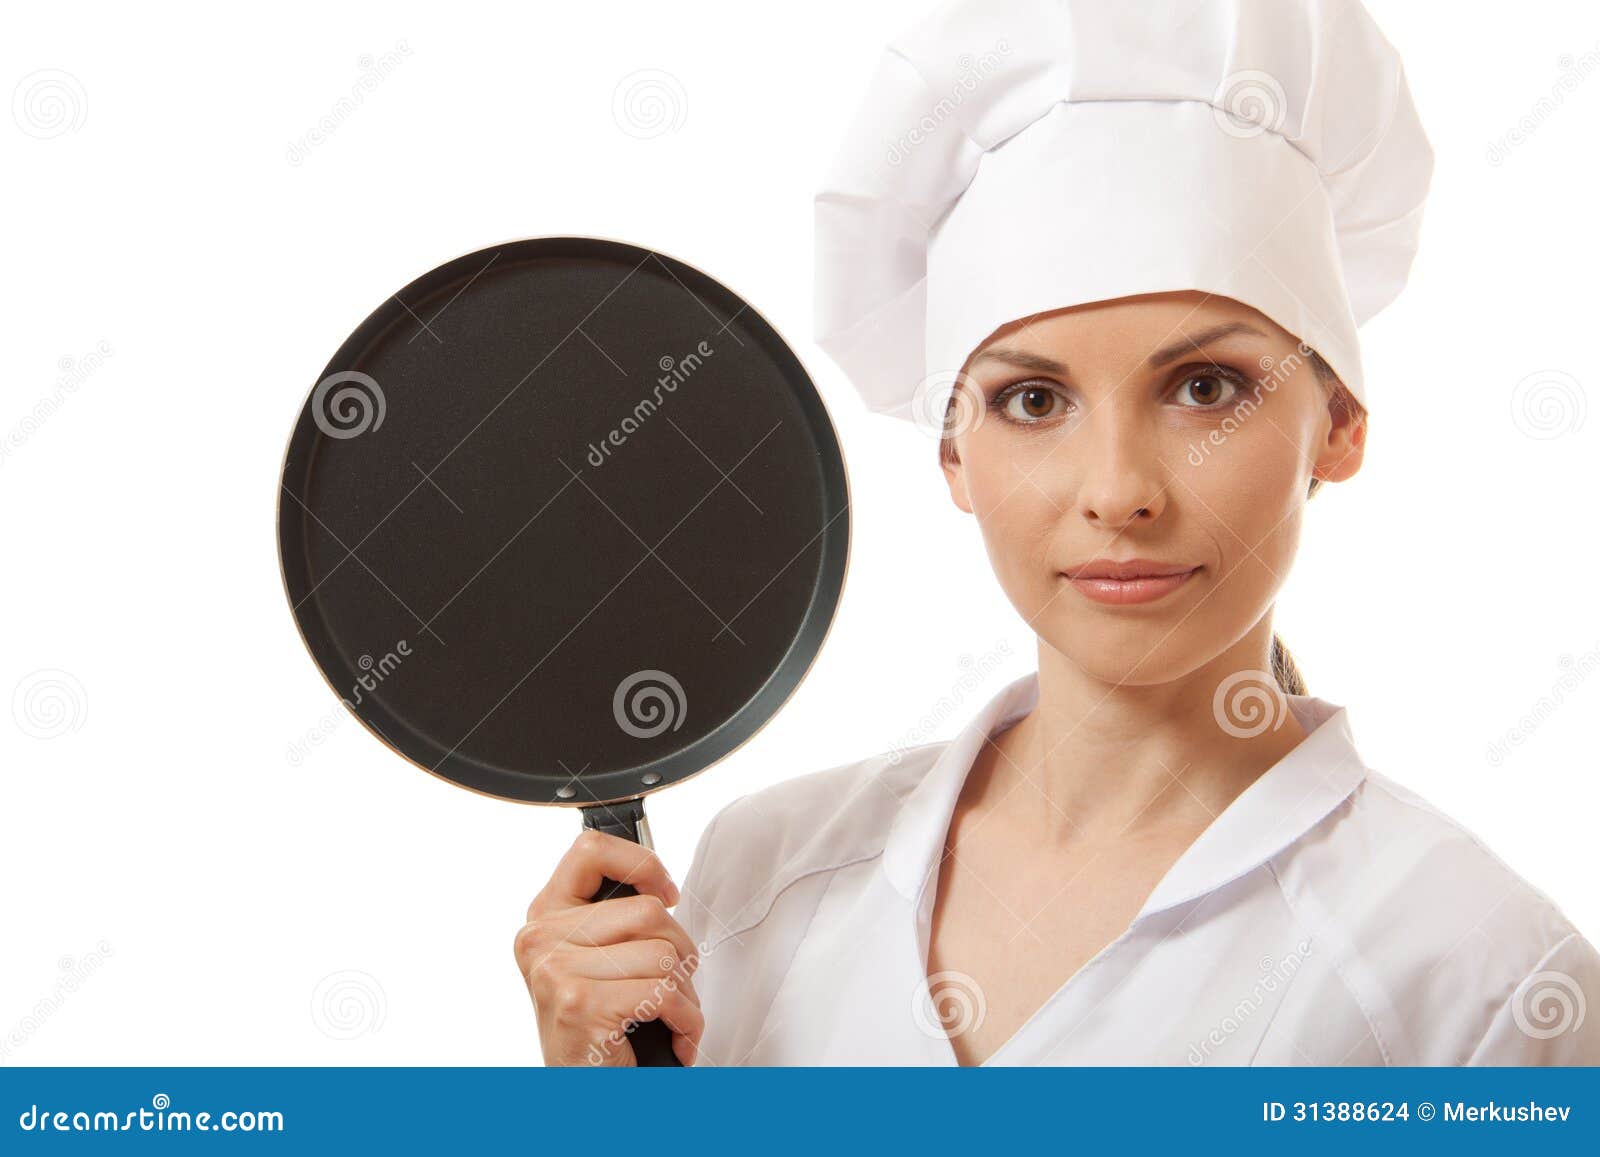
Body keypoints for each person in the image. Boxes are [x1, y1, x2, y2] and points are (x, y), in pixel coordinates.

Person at [514, 0, 1600, 1065]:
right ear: (952, 455)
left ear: (1339, 425)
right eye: (1034, 400)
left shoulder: (1483, 981)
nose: (1118, 491)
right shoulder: (767, 874)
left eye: (1205, 385)